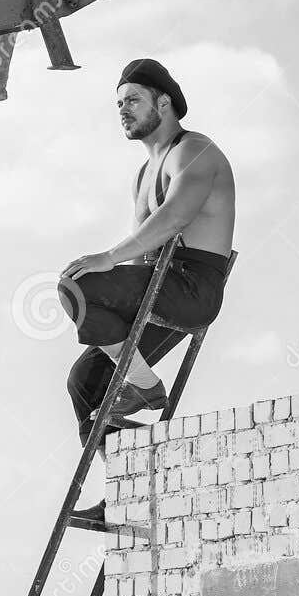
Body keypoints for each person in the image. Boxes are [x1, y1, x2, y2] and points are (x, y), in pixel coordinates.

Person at [58, 59, 236, 518]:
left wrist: (105, 262)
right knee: (86, 379)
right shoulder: (142, 174)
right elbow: (139, 262)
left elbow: (175, 217)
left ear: (164, 102)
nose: (122, 110)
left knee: (80, 285)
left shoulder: (194, 151)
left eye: (132, 99)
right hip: (154, 287)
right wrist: (107, 298)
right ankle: (128, 492)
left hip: (189, 288)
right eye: (118, 103)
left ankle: (142, 386)